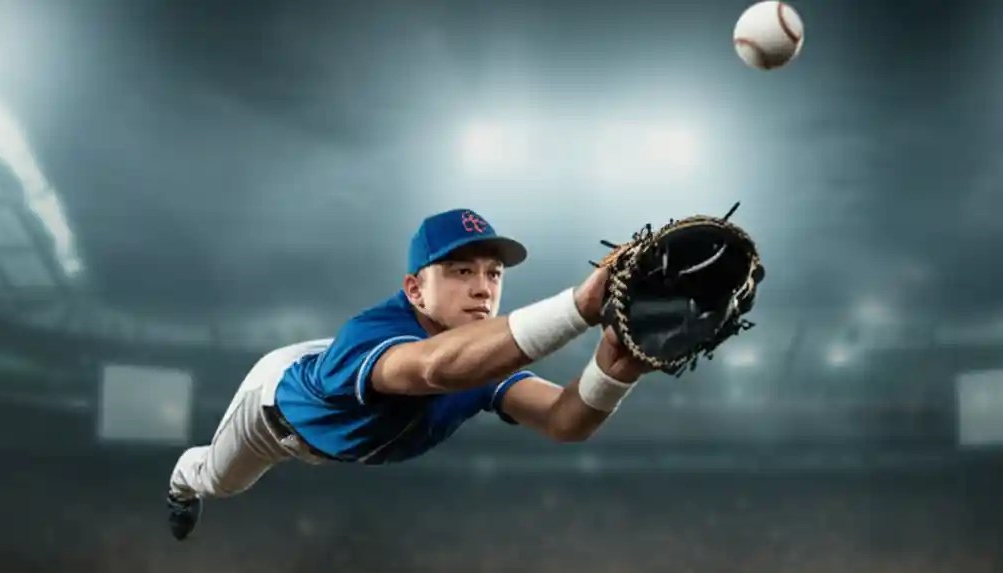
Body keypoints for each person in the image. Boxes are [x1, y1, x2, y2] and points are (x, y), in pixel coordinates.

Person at [166, 208, 650, 540]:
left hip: (354, 380)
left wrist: (614, 365)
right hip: (274, 412)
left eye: (494, 274)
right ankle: (180, 483)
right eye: (461, 271)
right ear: (415, 290)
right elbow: (432, 367)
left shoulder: (481, 353)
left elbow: (565, 421)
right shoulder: (378, 333)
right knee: (221, 481)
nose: (483, 289)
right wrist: (581, 308)